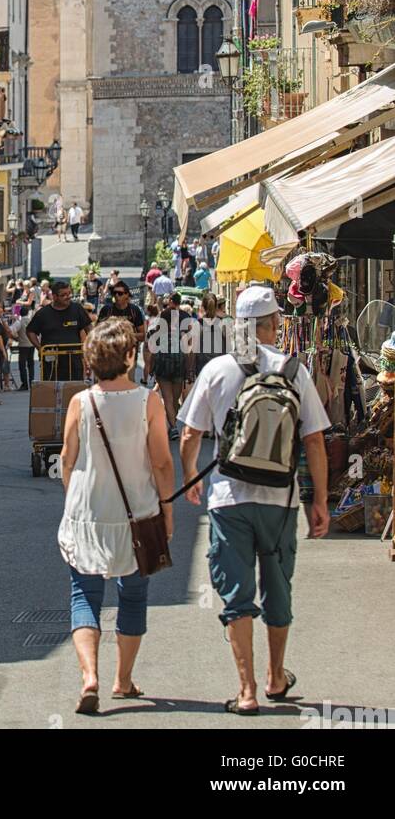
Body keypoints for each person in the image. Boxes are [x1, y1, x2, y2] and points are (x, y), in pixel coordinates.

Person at [179, 285, 331, 715]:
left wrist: (191, 476)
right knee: (278, 589)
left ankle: (245, 691)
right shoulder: (293, 369)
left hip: (228, 497)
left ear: (237, 326)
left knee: (236, 595)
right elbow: (315, 440)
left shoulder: (218, 369)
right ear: (274, 325)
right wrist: (319, 500)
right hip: (280, 501)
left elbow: (190, 433)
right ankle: (276, 676)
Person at [57, 318, 174, 714]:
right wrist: (167, 509)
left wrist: (75, 500)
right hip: (137, 514)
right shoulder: (148, 401)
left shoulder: (80, 402)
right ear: (129, 357)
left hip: (87, 513)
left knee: (84, 595)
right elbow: (161, 463)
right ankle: (123, 680)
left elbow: (67, 460)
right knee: (133, 595)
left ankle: (90, 676)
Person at [148, 293, 195, 438]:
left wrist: (151, 367)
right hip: (179, 366)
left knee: (168, 398)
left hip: (163, 366)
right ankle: (173, 425)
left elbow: (153, 350)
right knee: (175, 398)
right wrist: (189, 370)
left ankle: (173, 426)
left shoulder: (159, 334)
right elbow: (188, 352)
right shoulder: (180, 335)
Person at [26, 279, 92, 380]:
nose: (68, 297)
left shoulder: (77, 309)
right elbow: (30, 331)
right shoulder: (43, 313)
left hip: (74, 360)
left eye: (69, 293)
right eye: (64, 295)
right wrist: (39, 348)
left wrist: (90, 346)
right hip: (51, 362)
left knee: (74, 389)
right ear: (54, 296)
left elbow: (89, 328)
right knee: (52, 391)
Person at [14, 299, 38, 390]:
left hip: (23, 345)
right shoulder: (31, 321)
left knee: (22, 365)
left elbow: (11, 330)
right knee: (31, 364)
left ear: (20, 313)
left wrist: (15, 338)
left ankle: (24, 384)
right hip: (31, 345)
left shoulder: (19, 322)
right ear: (28, 312)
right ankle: (32, 382)